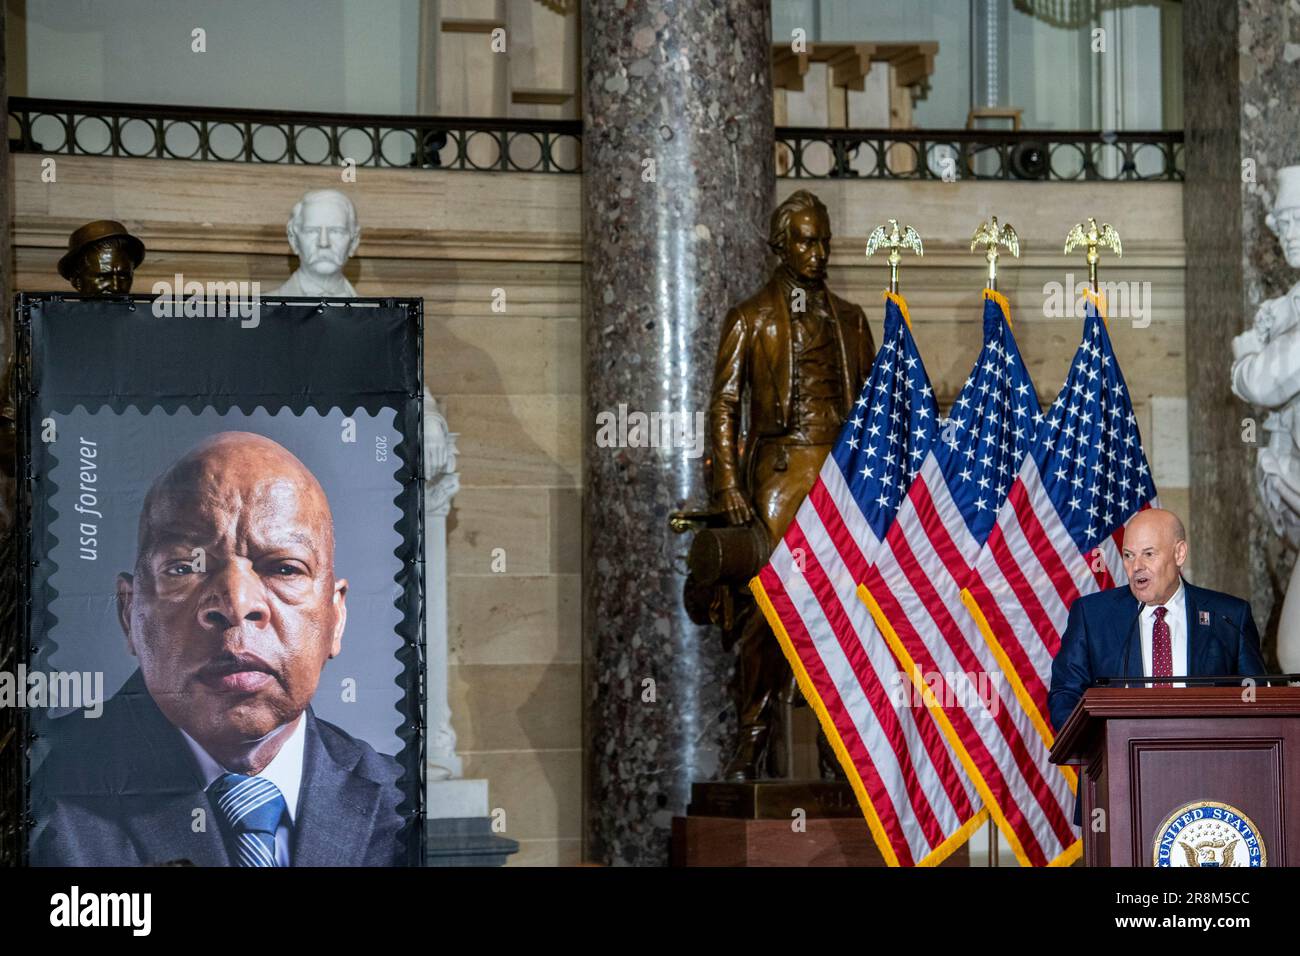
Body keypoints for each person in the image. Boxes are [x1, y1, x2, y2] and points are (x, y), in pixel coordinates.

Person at [31, 431, 407, 866]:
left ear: (335, 617)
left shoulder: (407, 809)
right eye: (184, 567)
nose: (236, 604)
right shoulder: (29, 796)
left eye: (285, 568)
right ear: (129, 612)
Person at [708, 190, 875, 779]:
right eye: (806, 239)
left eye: (824, 239)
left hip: (842, 475)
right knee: (770, 606)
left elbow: (874, 413)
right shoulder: (751, 317)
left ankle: (839, 743)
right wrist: (728, 482)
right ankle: (752, 735)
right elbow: (725, 404)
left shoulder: (852, 319)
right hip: (780, 476)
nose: (818, 251)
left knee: (845, 611)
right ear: (780, 246)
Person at [1049, 507, 1267, 734]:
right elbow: (1066, 695)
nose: (1137, 567)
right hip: (1120, 761)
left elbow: (1257, 698)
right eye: (1128, 556)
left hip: (1209, 762)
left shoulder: (1230, 616)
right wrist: (1102, 745)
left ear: (1179, 553)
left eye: (1149, 554)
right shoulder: (1093, 615)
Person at [271, 189, 361, 297]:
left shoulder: (378, 312)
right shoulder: (259, 311)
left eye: (336, 231)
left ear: (354, 242)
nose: (323, 243)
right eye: (312, 231)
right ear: (293, 239)